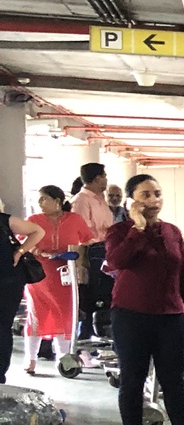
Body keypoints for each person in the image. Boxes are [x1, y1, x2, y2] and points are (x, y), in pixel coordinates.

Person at [105, 175, 184, 425]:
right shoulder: (119, 231)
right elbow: (116, 261)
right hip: (130, 316)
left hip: (170, 317)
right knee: (132, 382)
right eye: (145, 194)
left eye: (157, 194)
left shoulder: (172, 232)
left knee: (174, 383)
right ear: (131, 200)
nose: (153, 200)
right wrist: (137, 229)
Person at [23, 186, 92, 375]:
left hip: (65, 275)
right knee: (37, 315)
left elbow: (88, 240)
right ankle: (31, 359)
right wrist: (38, 251)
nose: (40, 203)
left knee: (66, 316)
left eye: (44, 199)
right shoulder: (33, 221)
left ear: (58, 201)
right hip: (39, 277)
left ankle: (64, 359)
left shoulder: (75, 220)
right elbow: (22, 243)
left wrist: (76, 254)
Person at [0, 199, 45, 384]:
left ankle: (0, 374)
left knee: (2, 326)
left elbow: (38, 231)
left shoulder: (4, 220)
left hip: (7, 280)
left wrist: (19, 251)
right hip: (9, 279)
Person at [71, 162, 116, 341]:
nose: (106, 180)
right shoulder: (82, 200)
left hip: (105, 247)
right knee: (93, 295)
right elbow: (82, 231)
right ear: (97, 178)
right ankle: (85, 337)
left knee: (106, 293)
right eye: (104, 176)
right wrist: (82, 261)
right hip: (93, 250)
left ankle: (102, 333)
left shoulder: (100, 199)